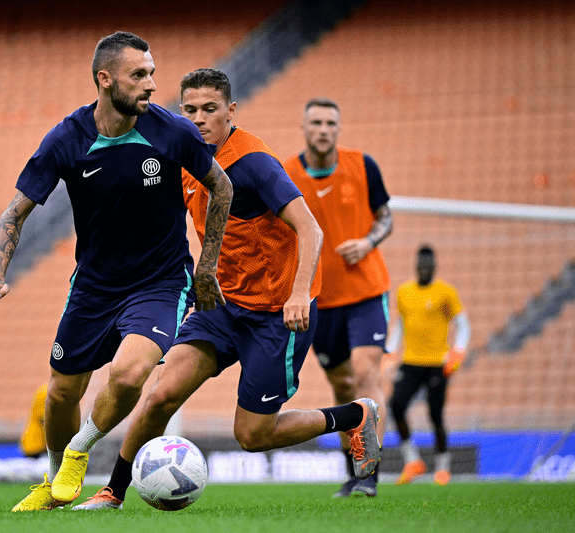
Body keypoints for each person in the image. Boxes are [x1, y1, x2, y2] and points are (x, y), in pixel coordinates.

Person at [73, 68, 380, 511]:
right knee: (161, 394)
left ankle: (354, 415)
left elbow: (310, 229)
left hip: (276, 313)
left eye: (210, 109)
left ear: (231, 111)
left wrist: (298, 295)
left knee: (252, 436)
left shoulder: (253, 162)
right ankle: (112, 493)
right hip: (222, 304)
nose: (199, 119)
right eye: (190, 110)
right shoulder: (182, 159)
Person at [0, 32, 233, 512]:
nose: (151, 84)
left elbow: (222, 186)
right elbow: (14, 213)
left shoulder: (173, 132)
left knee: (129, 375)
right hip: (93, 287)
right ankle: (55, 481)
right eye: (139, 75)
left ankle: (78, 451)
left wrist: (206, 265)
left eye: (152, 73)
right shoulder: (68, 138)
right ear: (105, 79)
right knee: (61, 393)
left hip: (160, 282)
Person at [283, 97, 392, 497]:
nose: (323, 130)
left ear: (339, 129)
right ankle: (353, 472)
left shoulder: (363, 166)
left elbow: (386, 217)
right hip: (320, 301)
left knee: (365, 374)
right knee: (344, 386)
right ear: (303, 128)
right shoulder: (287, 174)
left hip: (366, 292)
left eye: (331, 123)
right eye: (316, 123)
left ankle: (370, 474)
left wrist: (368, 242)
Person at [384, 245, 470, 486]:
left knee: (436, 416)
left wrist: (457, 352)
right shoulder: (404, 292)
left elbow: (463, 324)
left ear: (434, 266)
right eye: (421, 265)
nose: (424, 269)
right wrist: (390, 352)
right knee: (396, 406)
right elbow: (400, 324)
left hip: (437, 364)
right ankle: (412, 461)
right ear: (416, 266)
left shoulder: (446, 292)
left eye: (428, 265)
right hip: (411, 362)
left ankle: (442, 467)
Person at [19, 384, 48, 459]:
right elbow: (44, 419)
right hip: (35, 446)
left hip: (35, 444)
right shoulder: (46, 392)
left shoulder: (45, 390)